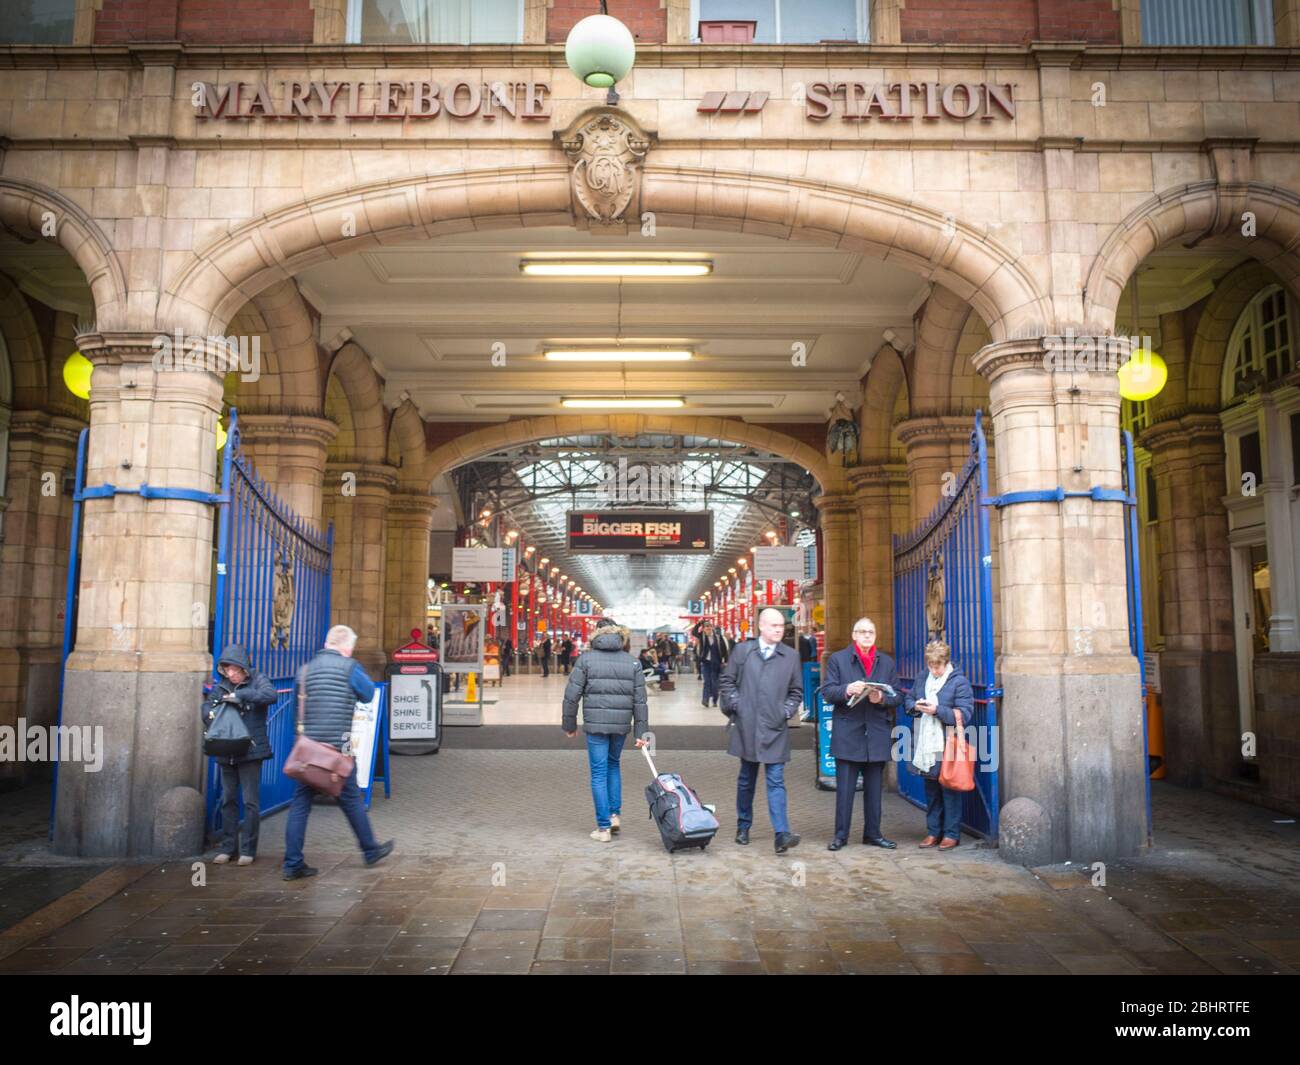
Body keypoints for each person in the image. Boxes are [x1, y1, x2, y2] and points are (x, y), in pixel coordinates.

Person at [283, 625, 394, 880]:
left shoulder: (305, 669)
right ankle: (370, 850)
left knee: (300, 805)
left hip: (309, 749)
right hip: (338, 747)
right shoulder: (350, 667)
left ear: (326, 642)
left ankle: (292, 864)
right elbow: (368, 695)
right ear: (347, 647)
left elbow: (294, 710)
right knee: (351, 799)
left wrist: (299, 742)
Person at [719, 607, 804, 854]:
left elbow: (796, 691)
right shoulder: (743, 651)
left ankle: (781, 833)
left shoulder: (790, 656)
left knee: (776, 780)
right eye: (775, 626)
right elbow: (727, 682)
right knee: (746, 779)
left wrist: (786, 711)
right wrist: (738, 704)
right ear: (761, 626)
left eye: (782, 627)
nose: (780, 630)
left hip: (775, 727)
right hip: (748, 726)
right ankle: (743, 826)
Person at [562, 617, 650, 842]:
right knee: (613, 765)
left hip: (595, 725)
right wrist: (641, 734)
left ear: (596, 635)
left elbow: (571, 696)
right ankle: (614, 815)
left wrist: (569, 725)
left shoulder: (586, 660)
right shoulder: (632, 662)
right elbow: (640, 702)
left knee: (599, 773)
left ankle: (603, 829)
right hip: (620, 726)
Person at [820, 617, 904, 851]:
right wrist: (847, 689)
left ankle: (873, 834)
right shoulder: (838, 659)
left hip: (876, 733)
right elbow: (827, 692)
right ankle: (840, 836)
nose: (867, 636)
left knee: (874, 791)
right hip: (849, 732)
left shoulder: (886, 662)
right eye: (863, 632)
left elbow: (898, 696)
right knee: (845, 791)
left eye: (871, 632)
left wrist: (882, 698)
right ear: (854, 635)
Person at [202, 644, 278, 866]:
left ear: (244, 668)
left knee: (250, 802)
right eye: (227, 670)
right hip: (226, 750)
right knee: (228, 800)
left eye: (235, 670)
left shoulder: (258, 679)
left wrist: (241, 695)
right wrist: (211, 714)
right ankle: (228, 848)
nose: (231, 675)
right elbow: (206, 708)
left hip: (250, 751)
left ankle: (248, 850)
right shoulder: (222, 686)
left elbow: (270, 695)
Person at [905, 640, 975, 850]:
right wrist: (915, 706)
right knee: (931, 791)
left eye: (938, 666)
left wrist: (937, 710)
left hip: (947, 744)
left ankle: (951, 833)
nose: (934, 671)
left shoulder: (959, 682)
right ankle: (933, 831)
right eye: (931, 666)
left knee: (949, 789)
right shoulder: (921, 677)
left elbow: (965, 713)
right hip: (926, 744)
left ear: (946, 663)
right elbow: (908, 700)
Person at [696, 620, 731, 708]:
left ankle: (715, 700)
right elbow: (694, 632)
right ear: (703, 629)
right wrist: (700, 624)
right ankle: (705, 700)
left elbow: (725, 650)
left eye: (709, 627)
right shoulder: (702, 638)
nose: (708, 629)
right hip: (706, 663)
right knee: (707, 682)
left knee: (715, 683)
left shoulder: (719, 638)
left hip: (716, 663)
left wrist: (726, 661)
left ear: (712, 628)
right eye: (706, 627)